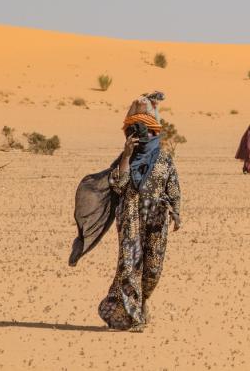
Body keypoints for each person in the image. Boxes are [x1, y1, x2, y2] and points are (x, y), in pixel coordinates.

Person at [94, 91, 181, 332]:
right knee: (130, 265)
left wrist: (176, 212)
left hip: (157, 219)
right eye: (136, 130)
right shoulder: (125, 159)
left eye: (146, 130)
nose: (143, 135)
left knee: (152, 269)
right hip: (130, 217)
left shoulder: (164, 159)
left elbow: (173, 186)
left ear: (155, 133)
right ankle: (134, 318)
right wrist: (126, 155)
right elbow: (118, 185)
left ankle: (142, 301)